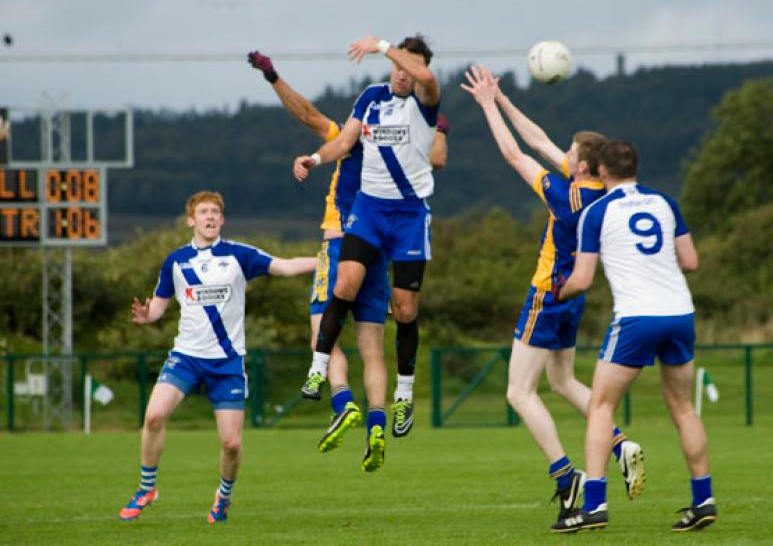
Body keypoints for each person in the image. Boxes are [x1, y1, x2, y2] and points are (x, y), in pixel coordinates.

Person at [461, 65, 645, 527]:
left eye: (570, 152)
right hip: (575, 299)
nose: (561, 153)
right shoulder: (600, 192)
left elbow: (515, 153)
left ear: (580, 165)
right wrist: (502, 99)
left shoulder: (562, 194)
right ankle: (621, 445)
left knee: (519, 392)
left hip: (548, 293)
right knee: (562, 382)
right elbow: (540, 141)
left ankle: (567, 478)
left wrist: (486, 107)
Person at [248, 51, 448, 463]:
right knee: (372, 346)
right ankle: (378, 425)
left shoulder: (353, 134)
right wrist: (438, 128)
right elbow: (436, 157)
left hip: (345, 238)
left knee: (321, 328)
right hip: (381, 241)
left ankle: (342, 403)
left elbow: (307, 115)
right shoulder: (405, 130)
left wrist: (273, 77)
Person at [118, 191, 316, 523]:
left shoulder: (239, 255)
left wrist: (326, 259)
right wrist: (146, 315)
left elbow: (283, 266)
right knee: (153, 418)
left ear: (222, 220)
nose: (209, 217)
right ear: (191, 220)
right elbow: (158, 308)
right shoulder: (176, 262)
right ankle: (147, 488)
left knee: (232, 445)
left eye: (215, 212)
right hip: (186, 357)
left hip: (227, 364)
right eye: (203, 212)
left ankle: (223, 498)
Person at [552, 140, 716, 533]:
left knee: (601, 407)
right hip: (679, 312)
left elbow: (583, 279)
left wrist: (559, 289)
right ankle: (703, 499)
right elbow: (691, 262)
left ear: (602, 171)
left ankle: (594, 505)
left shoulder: (597, 212)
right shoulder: (665, 203)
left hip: (637, 317)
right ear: (635, 167)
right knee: (684, 408)